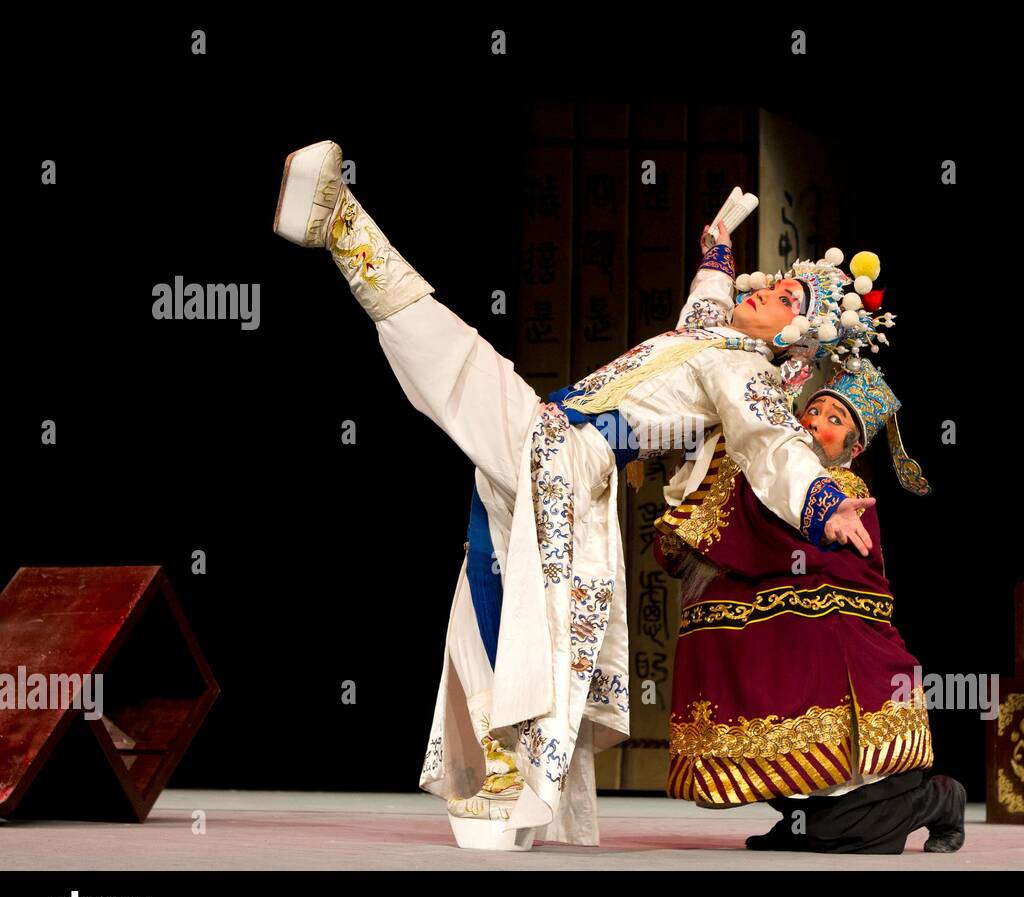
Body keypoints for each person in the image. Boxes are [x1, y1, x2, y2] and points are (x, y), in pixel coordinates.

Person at [271, 141, 876, 849]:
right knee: (493, 575)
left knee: (457, 368)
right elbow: (707, 302)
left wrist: (825, 503)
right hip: (550, 434)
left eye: (783, 301)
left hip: (571, 455)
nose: (763, 292)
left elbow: (771, 444)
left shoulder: (746, 376)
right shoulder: (712, 337)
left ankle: (340, 221)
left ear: (795, 341)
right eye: (773, 285)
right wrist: (716, 250)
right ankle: (504, 776)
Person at [652, 281, 967, 855]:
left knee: (856, 838)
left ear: (853, 448)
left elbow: (767, 530)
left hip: (837, 649)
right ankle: (805, 817)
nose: (815, 421)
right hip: (775, 636)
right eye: (812, 410)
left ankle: (932, 801)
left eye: (833, 420)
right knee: (759, 715)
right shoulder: (782, 476)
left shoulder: (843, 493)